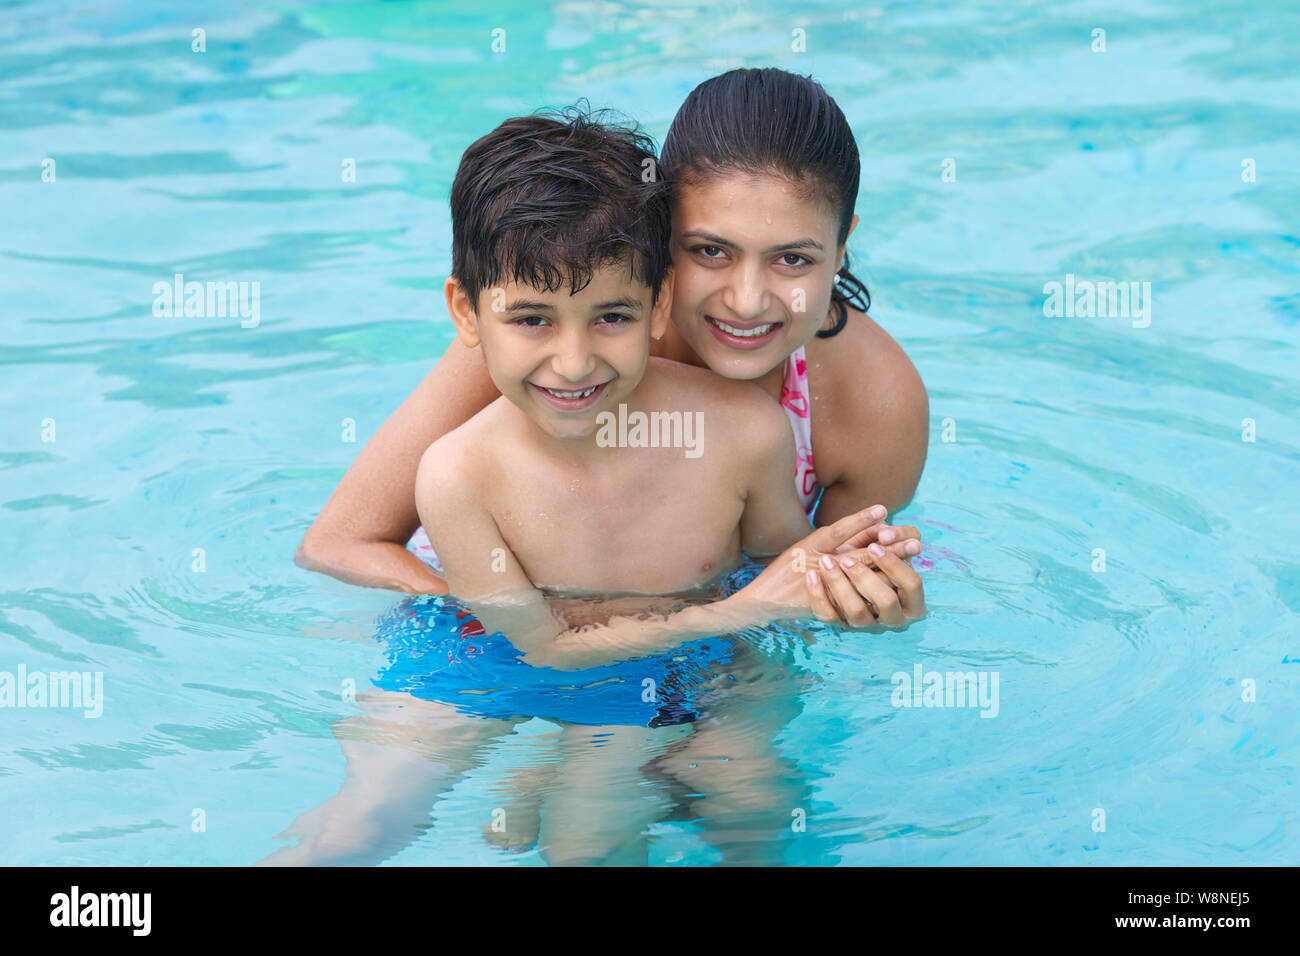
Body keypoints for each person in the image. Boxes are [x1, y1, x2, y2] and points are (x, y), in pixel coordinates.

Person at [295, 69, 929, 633]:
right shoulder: (558, 328)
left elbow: (791, 598)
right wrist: (509, 618)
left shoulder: (876, 403)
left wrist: (864, 607)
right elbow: (341, 544)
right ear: (657, 235)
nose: (745, 299)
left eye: (792, 259)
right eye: (709, 250)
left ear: (842, 244)